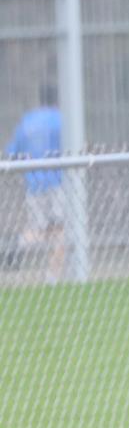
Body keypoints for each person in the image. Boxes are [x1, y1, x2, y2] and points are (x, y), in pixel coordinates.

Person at [5, 84, 66, 283]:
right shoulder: (60, 119)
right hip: (57, 182)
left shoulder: (28, 121)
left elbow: (12, 152)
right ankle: (51, 278)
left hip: (34, 184)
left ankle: (17, 245)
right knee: (61, 230)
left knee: (39, 230)